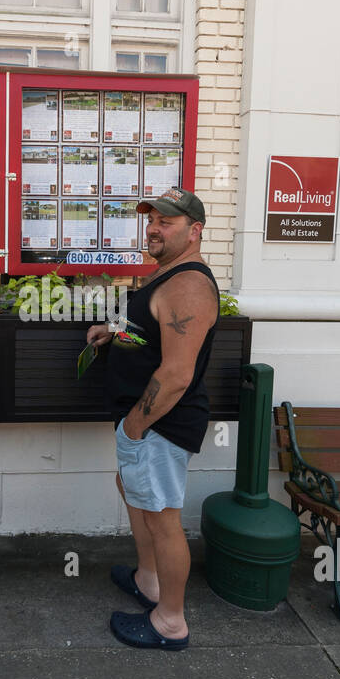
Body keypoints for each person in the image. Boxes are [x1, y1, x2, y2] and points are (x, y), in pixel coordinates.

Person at [85, 187, 219, 651]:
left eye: (167, 222)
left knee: (162, 517)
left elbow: (178, 373)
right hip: (141, 420)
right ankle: (149, 581)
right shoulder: (167, 276)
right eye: (152, 219)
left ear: (195, 231)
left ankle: (170, 621)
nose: (154, 228)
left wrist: (136, 427)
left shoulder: (189, 284)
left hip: (160, 422)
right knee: (135, 494)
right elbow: (151, 332)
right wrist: (114, 330)